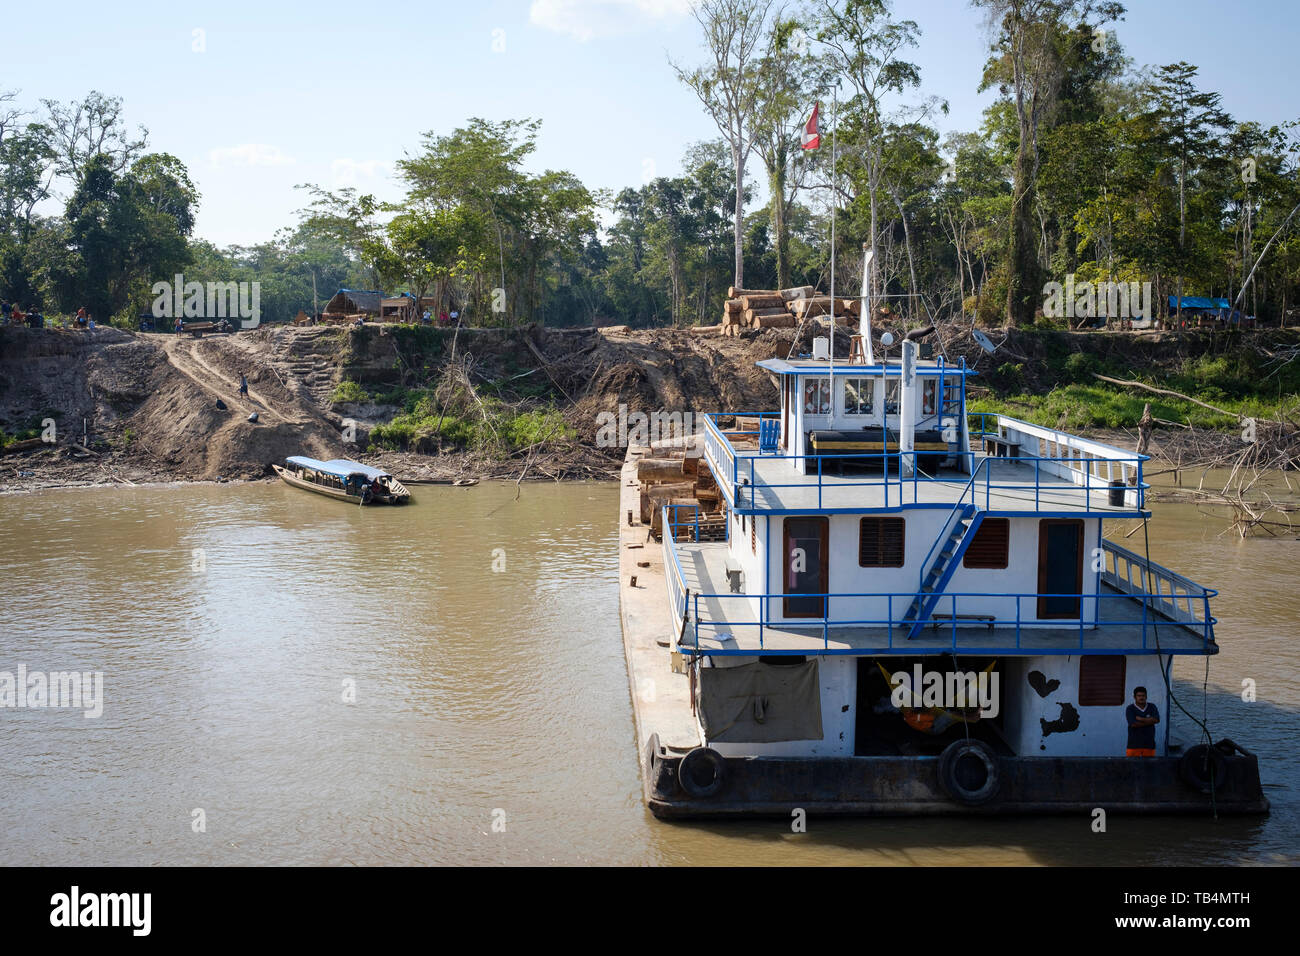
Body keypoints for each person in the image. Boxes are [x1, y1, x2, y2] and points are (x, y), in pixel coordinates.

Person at [1125, 686, 1160, 757]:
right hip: (1133, 745)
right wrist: (1150, 721)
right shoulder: (1130, 708)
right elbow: (1133, 724)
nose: (1141, 698)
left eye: (1143, 696)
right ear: (1134, 697)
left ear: (1146, 696)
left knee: (1148, 767)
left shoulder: (1152, 706)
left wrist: (1141, 719)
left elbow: (1157, 720)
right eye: (1139, 696)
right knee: (1132, 766)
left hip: (1149, 744)